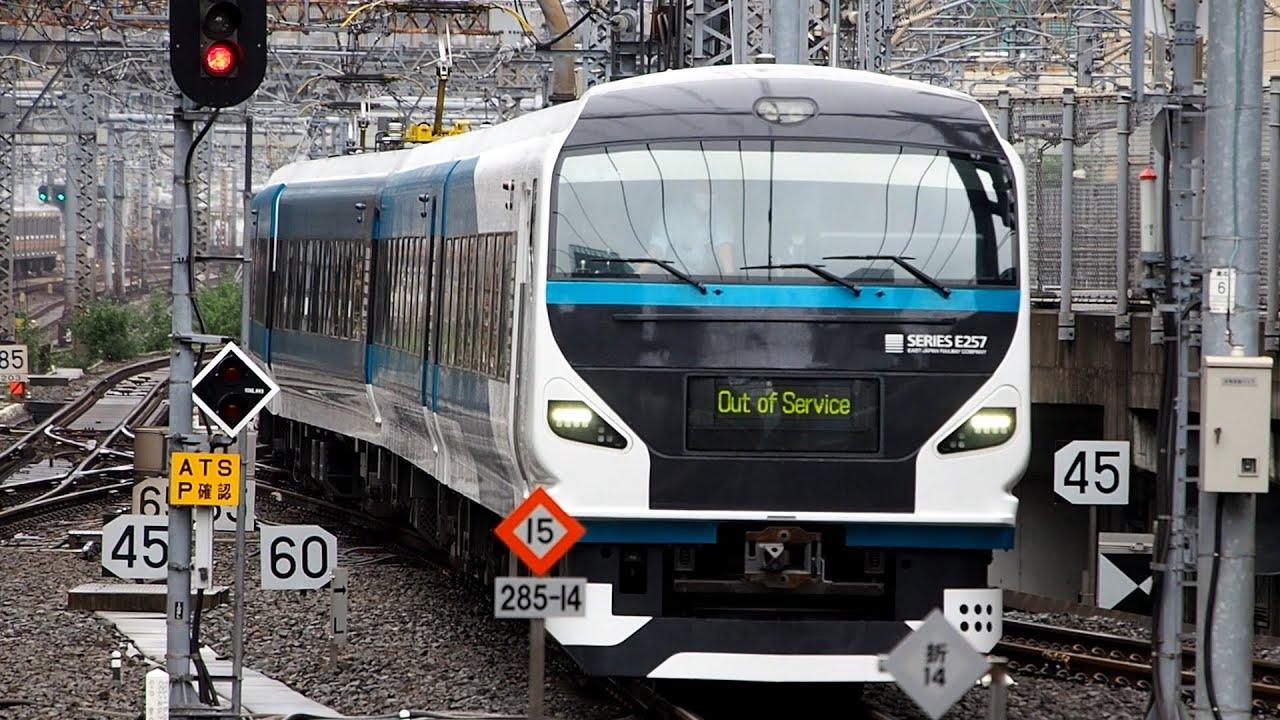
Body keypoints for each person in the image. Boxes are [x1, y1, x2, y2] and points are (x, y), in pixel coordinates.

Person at [643, 184, 735, 277]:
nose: (706, 193)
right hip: (672, 279)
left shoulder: (721, 215)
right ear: (691, 189)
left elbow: (723, 245)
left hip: (708, 280)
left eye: (710, 189)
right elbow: (658, 245)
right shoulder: (672, 213)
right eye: (701, 188)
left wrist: (730, 277)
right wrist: (639, 274)